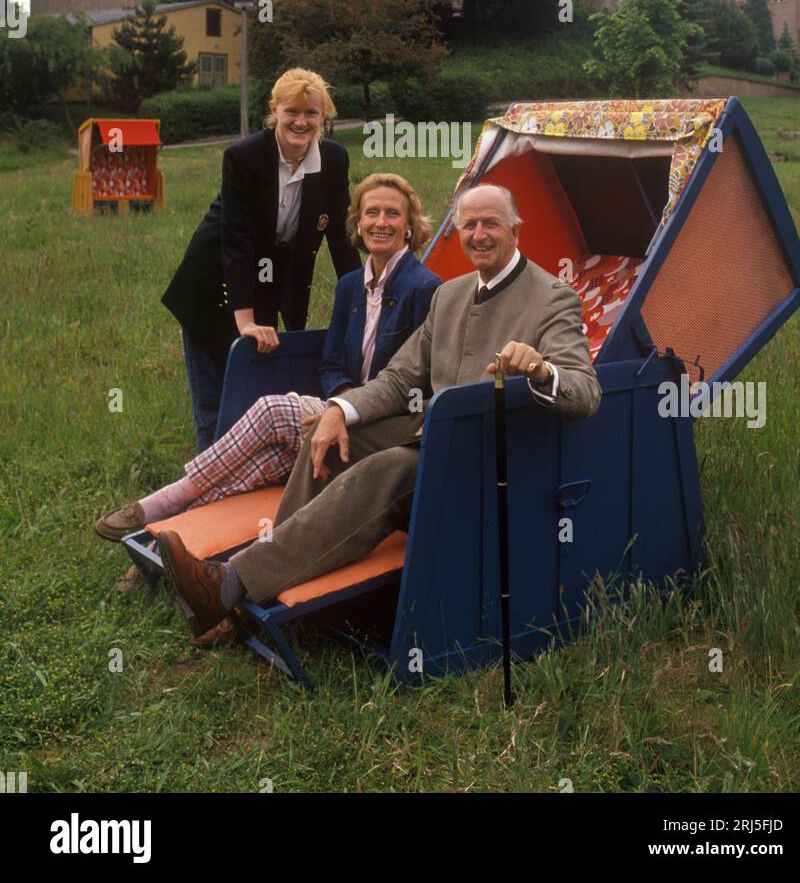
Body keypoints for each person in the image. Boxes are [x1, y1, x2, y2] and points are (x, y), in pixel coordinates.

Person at [154, 183, 604, 638]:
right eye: (469, 224)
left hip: (487, 459)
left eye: (491, 223)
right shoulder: (450, 295)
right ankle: (260, 583)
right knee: (322, 437)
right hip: (428, 435)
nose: (479, 234)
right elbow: (399, 377)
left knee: (386, 469)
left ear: (515, 230)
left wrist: (544, 372)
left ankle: (229, 585)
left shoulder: (551, 298)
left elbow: (586, 393)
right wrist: (339, 409)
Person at [96, 173, 441, 536]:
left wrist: (350, 411)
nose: (380, 223)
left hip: (385, 425)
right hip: (339, 411)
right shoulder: (350, 286)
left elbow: (418, 384)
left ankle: (164, 502)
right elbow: (332, 364)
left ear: (409, 226)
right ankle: (165, 539)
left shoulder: (426, 289)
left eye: (392, 214)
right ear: (358, 222)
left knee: (273, 411)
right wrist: (338, 403)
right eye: (371, 213)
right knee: (258, 467)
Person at [161, 68, 361, 451]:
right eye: (292, 111)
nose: (301, 122)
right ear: (274, 110)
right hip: (213, 279)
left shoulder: (334, 160)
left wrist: (362, 303)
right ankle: (208, 478)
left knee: (256, 388)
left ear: (324, 117)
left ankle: (251, 472)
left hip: (266, 281)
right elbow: (237, 241)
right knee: (216, 396)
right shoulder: (243, 156)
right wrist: (246, 321)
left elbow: (340, 237)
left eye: (312, 113)